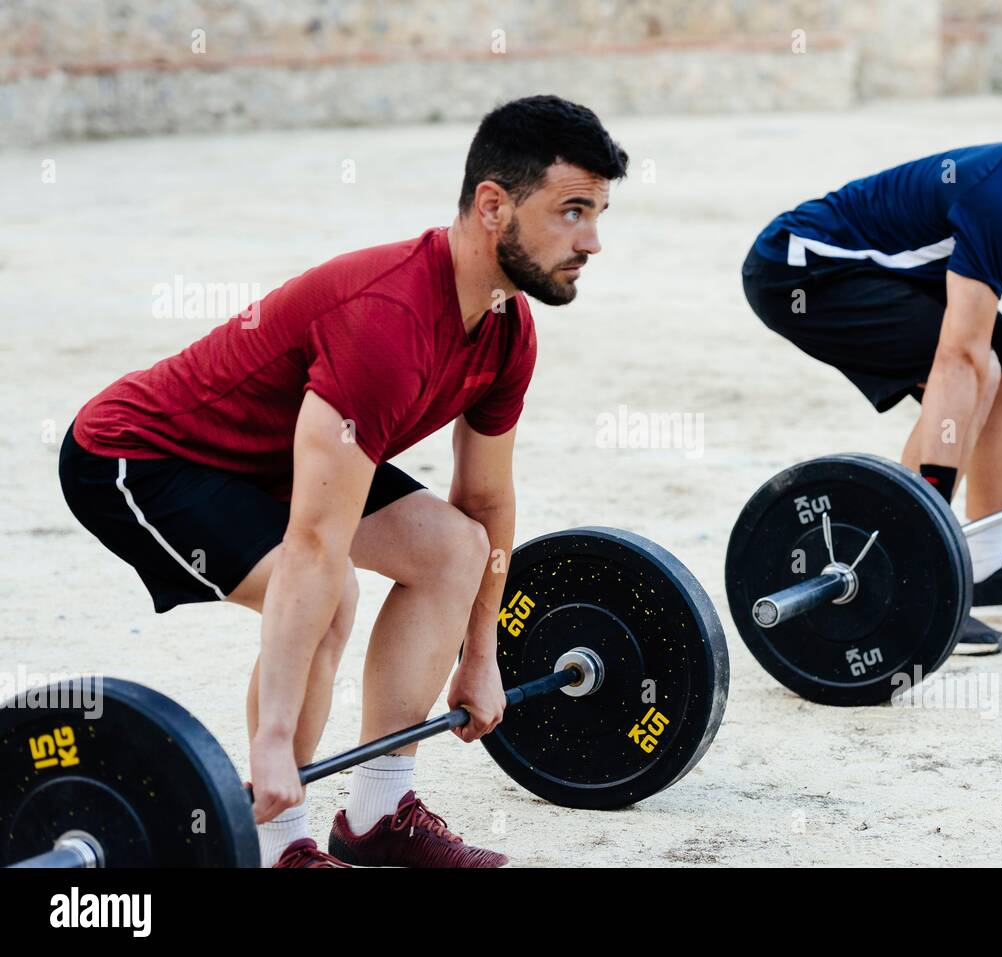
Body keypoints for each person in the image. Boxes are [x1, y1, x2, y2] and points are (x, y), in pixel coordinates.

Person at [58, 95, 627, 867]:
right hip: (142, 456)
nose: (591, 240)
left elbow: (486, 501)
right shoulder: (387, 321)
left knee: (454, 549)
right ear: (493, 205)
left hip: (278, 458)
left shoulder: (505, 326)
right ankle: (275, 839)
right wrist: (270, 741)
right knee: (331, 598)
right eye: (571, 212)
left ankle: (378, 811)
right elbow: (316, 545)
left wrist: (482, 653)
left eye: (597, 212)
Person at [740, 56, 1002, 655]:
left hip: (887, 276)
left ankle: (986, 567)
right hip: (804, 271)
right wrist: (931, 527)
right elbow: (962, 361)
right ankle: (909, 574)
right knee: (980, 370)